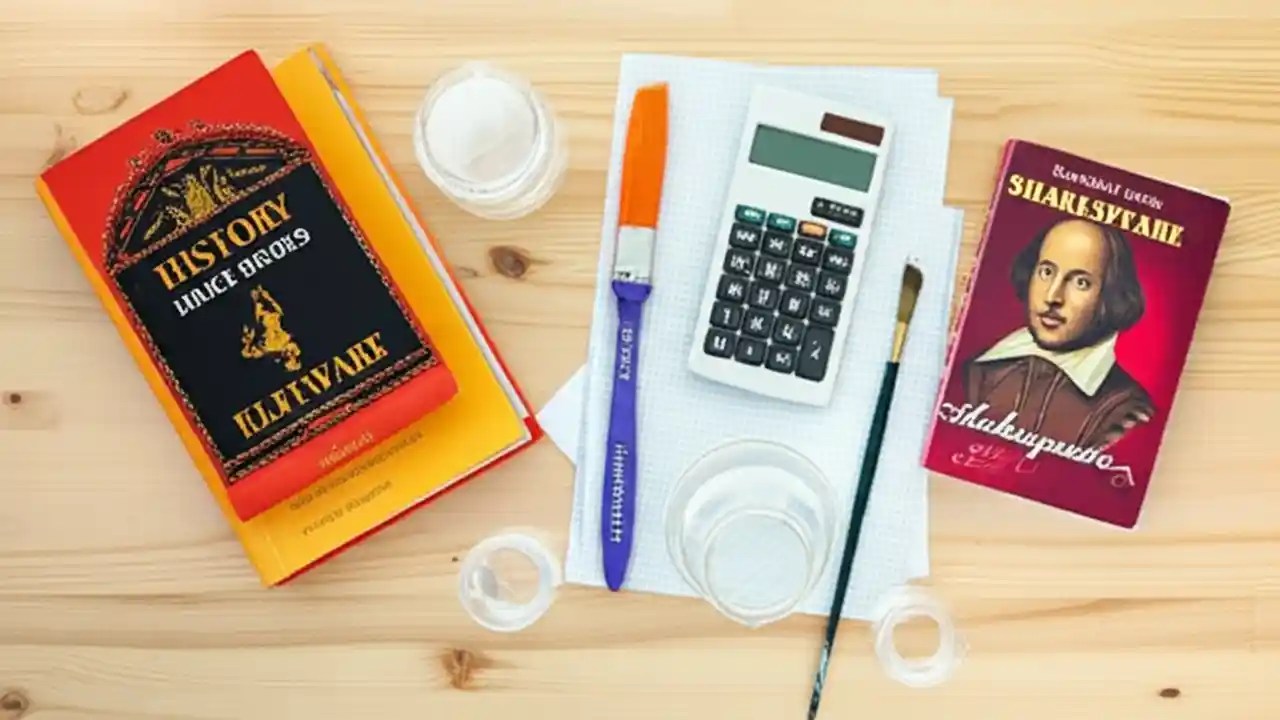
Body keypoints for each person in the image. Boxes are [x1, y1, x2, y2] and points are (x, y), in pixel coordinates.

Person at [964, 218, 1154, 449]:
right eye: (1046, 272)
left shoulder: (1127, 412)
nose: (1053, 297)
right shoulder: (980, 372)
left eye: (1081, 282)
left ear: (1111, 296)